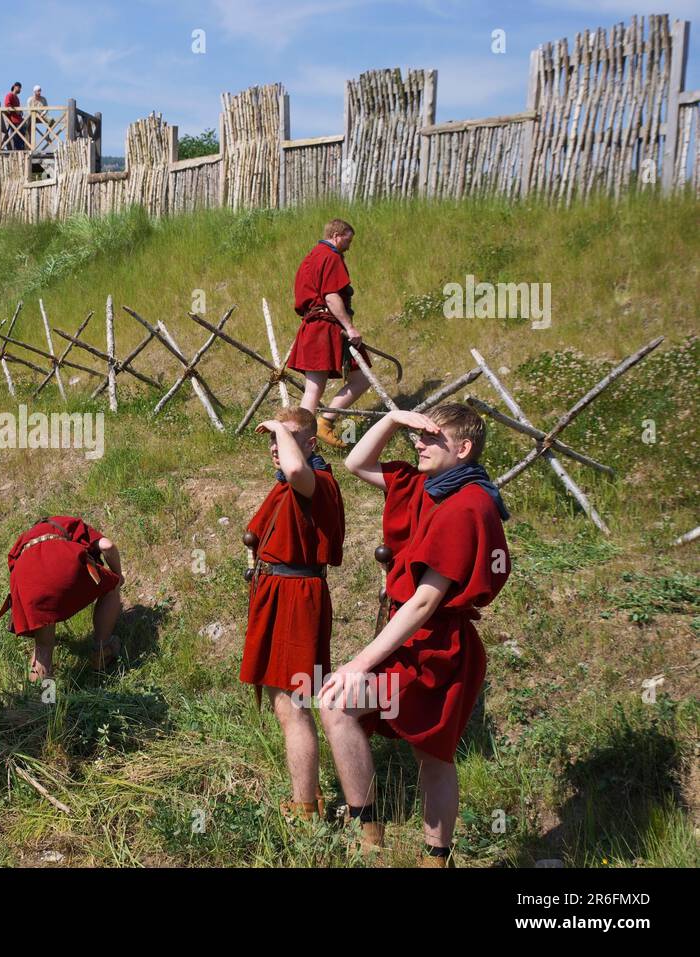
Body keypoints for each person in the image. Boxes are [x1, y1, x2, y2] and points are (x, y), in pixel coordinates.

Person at [321, 403, 510, 867]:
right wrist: (394, 419)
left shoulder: (468, 504)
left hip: (439, 646)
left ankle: (428, 856)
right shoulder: (426, 486)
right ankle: (370, 830)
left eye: (432, 437)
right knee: (338, 706)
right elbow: (355, 463)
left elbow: (426, 601)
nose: (419, 444)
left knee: (431, 755)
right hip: (411, 637)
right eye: (418, 436)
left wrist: (359, 662)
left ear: (463, 449)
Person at [244, 407, 345, 822]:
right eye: (272, 440)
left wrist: (281, 433)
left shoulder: (314, 482)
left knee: (293, 706)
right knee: (286, 703)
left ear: (310, 444)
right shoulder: (291, 483)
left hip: (294, 599)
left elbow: (295, 468)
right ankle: (310, 795)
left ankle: (306, 811)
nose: (275, 447)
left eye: (285, 437)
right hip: (278, 593)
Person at [0, 516, 123, 681]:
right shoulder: (65, 523)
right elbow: (108, 546)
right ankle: (101, 650)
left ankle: (45, 701)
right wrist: (118, 575)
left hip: (27, 583)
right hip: (61, 564)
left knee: (43, 648)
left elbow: (17, 570)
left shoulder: (23, 540)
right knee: (112, 584)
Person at [285, 219, 372, 448]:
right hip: (326, 327)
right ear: (336, 234)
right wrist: (349, 327)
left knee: (315, 388)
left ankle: (299, 437)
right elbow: (331, 296)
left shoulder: (311, 256)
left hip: (315, 326)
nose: (349, 245)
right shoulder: (330, 256)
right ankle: (321, 424)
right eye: (348, 239)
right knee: (362, 378)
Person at [3, 81, 27, 151]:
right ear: (15, 87)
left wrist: (20, 111)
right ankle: (17, 151)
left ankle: (21, 150)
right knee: (16, 137)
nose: (20, 89)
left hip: (19, 120)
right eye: (19, 88)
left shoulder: (17, 98)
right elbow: (7, 105)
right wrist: (16, 111)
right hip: (13, 120)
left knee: (21, 137)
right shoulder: (9, 95)